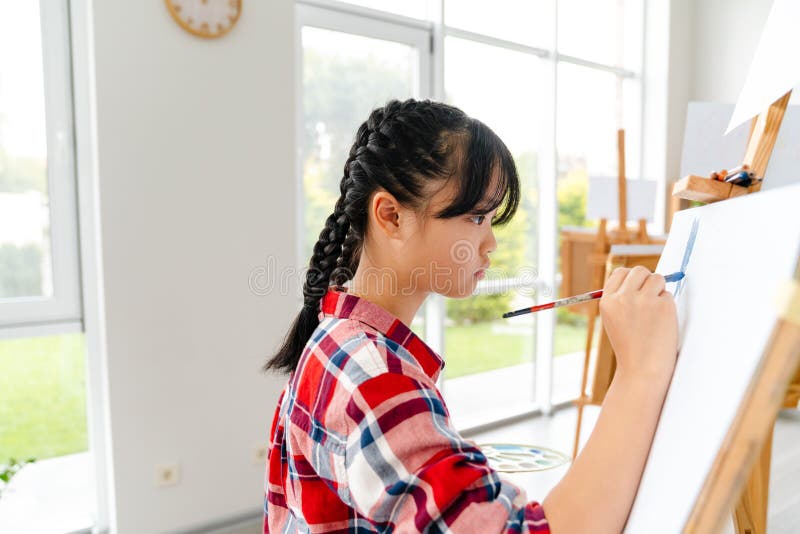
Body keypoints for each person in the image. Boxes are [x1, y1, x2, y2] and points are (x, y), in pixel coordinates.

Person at [262, 98, 678, 533]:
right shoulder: (374, 380)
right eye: (477, 216)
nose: (491, 243)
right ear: (391, 216)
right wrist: (640, 372)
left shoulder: (337, 341)